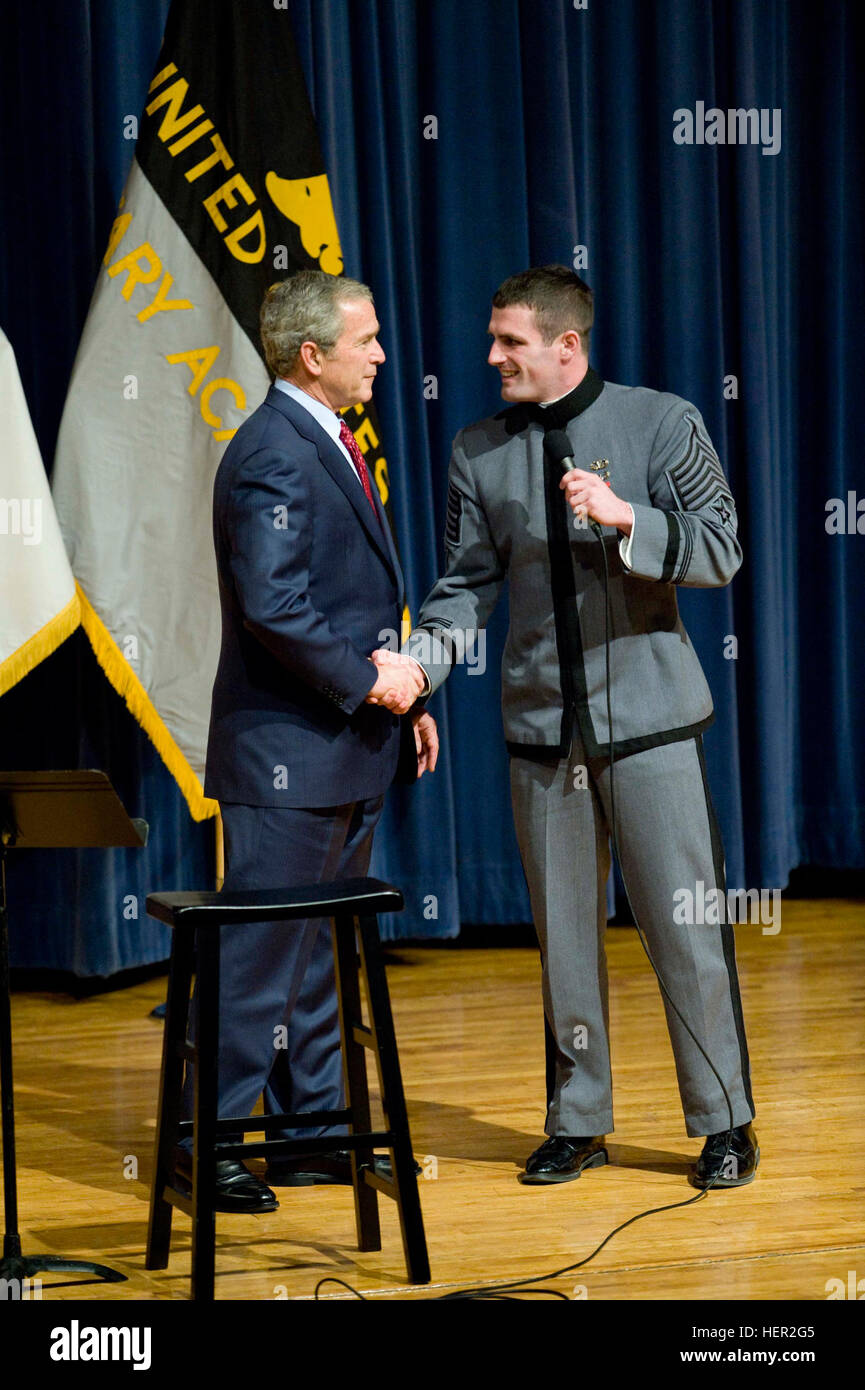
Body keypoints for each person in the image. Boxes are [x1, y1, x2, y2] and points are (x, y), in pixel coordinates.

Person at [378, 265, 757, 1190]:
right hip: (543, 733)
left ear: (565, 345)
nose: (492, 356)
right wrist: (423, 660)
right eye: (493, 338)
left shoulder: (660, 421)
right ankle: (577, 1119)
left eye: (509, 341)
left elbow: (722, 545)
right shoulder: (478, 448)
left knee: (683, 931)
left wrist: (632, 518)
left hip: (652, 726)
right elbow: (465, 584)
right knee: (563, 939)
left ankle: (724, 1122)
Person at [178, 269, 437, 1212]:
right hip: (286, 757)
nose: (379, 353)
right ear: (311, 355)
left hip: (340, 744)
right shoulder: (274, 453)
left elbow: (342, 601)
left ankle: (311, 1133)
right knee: (257, 965)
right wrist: (373, 680)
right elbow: (275, 608)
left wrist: (399, 703)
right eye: (364, 339)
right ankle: (203, 1144)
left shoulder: (325, 438)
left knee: (317, 956)